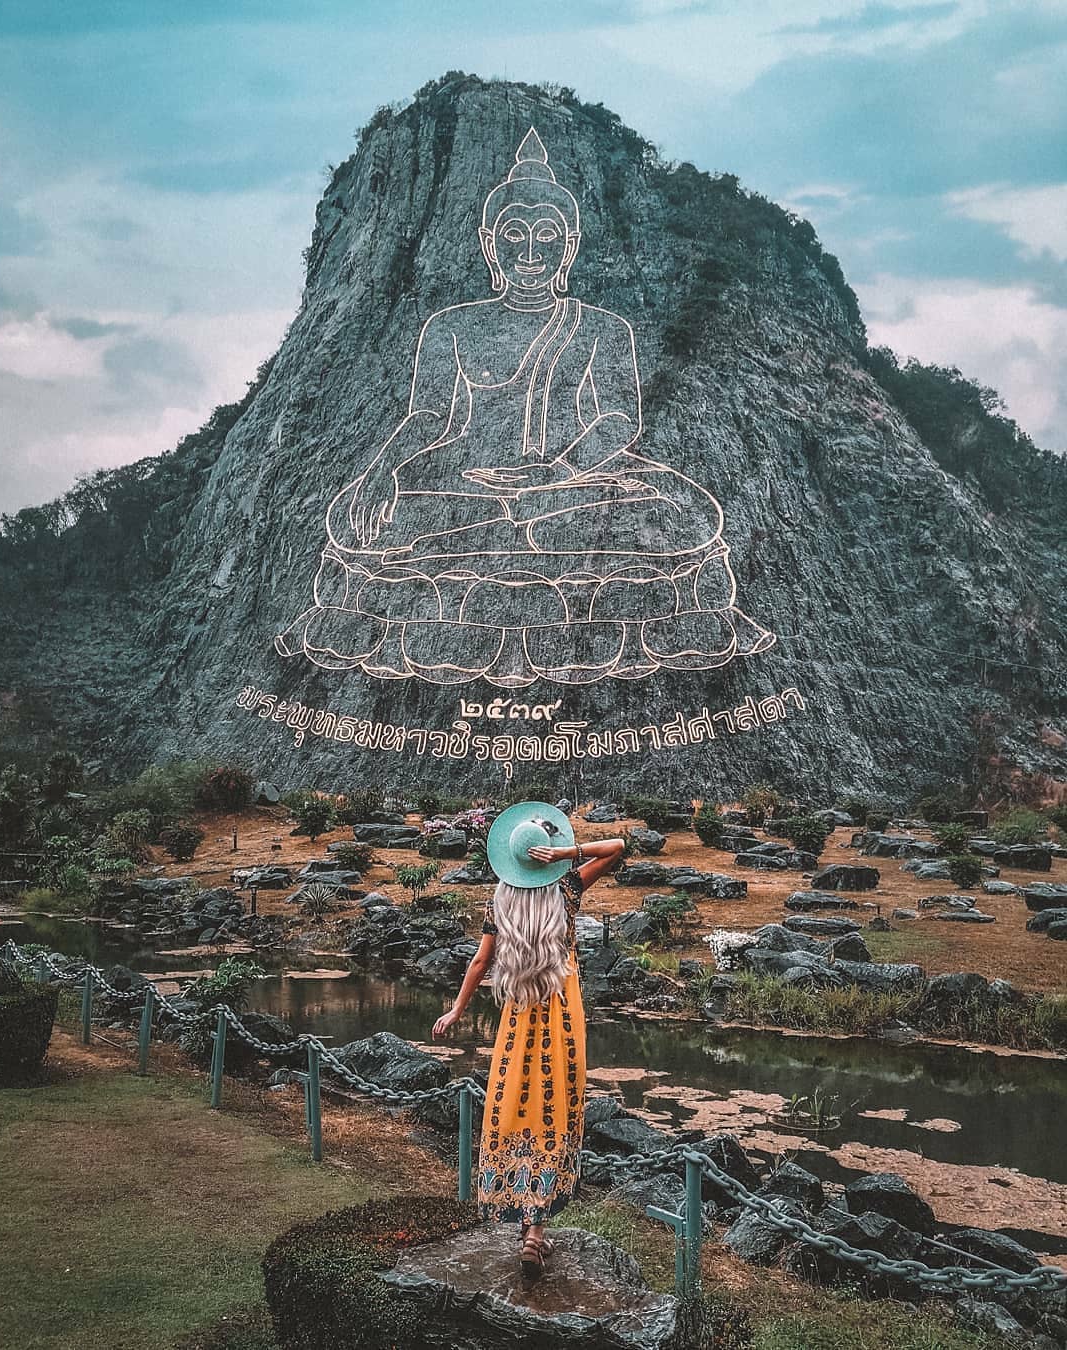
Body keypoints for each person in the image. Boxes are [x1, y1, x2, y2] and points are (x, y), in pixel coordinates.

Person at [276, 126, 775, 685]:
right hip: (470, 479)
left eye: (547, 235)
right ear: (491, 243)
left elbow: (619, 420)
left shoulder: (602, 328)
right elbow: (430, 417)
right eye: (515, 235)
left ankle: (485, 554)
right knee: (361, 517)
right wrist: (379, 472)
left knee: (684, 513)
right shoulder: (452, 326)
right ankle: (513, 549)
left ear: (571, 244)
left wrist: (554, 472)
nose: (531, 252)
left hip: (575, 482)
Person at [432, 801, 625, 1279]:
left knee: (515, 1101)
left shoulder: (500, 901)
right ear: (545, 852)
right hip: (562, 1010)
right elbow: (619, 847)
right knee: (556, 1103)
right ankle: (537, 1232)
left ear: (509, 860)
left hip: (519, 1013)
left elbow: (480, 963)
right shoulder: (567, 888)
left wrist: (458, 1008)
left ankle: (524, 1222)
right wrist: (566, 852)